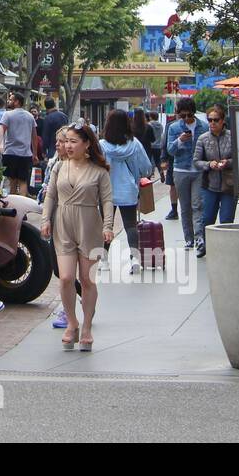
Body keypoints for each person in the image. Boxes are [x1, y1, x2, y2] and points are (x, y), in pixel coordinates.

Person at [41, 123, 115, 351]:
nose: (68, 146)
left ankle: (87, 327)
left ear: (87, 144)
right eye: (66, 141)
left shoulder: (99, 172)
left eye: (74, 141)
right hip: (63, 224)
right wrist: (45, 220)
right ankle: (72, 323)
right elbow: (50, 195)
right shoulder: (59, 167)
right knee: (65, 277)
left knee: (87, 279)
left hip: (89, 225)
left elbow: (107, 200)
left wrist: (108, 226)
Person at [98, 109, 150, 274]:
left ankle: (104, 260)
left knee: (107, 225)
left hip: (106, 191)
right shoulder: (134, 144)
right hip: (128, 190)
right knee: (130, 226)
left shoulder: (102, 146)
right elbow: (146, 168)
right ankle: (135, 258)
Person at [193, 106, 236, 257]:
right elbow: (196, 161)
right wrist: (208, 164)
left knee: (226, 219)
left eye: (216, 120)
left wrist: (228, 163)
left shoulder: (232, 136)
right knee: (207, 218)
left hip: (229, 185)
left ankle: (225, 249)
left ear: (223, 121)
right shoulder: (203, 138)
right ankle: (204, 245)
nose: (212, 123)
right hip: (209, 184)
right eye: (209, 120)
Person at [166, 98, 208, 250]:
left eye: (188, 115)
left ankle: (199, 237)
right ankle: (188, 238)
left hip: (198, 170)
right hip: (180, 170)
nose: (185, 119)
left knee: (197, 205)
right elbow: (170, 150)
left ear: (193, 113)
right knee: (185, 207)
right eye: (182, 116)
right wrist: (179, 140)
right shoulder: (174, 128)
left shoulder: (204, 126)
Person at [0, 92, 38, 196]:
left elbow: (1, 132)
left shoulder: (7, 115)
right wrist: (34, 154)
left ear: (16, 102)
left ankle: (13, 207)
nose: (9, 101)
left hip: (10, 153)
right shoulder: (30, 116)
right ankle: (22, 208)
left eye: (11, 99)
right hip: (25, 154)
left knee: (11, 182)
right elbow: (34, 137)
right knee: (23, 181)